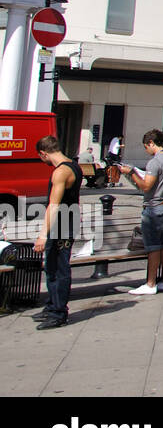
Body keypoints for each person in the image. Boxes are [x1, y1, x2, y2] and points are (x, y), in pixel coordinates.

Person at [118, 129, 163, 295]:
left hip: (154, 208)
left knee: (153, 246)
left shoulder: (155, 162)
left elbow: (146, 186)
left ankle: (150, 283)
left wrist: (131, 173)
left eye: (146, 147)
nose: (146, 150)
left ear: (151, 143)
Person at [32, 136, 81, 329]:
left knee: (58, 268)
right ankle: (52, 306)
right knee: (52, 266)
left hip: (61, 225)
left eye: (40, 157)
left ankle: (58, 312)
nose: (42, 161)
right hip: (69, 221)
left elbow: (54, 205)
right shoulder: (74, 165)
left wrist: (43, 235)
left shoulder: (60, 172)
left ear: (44, 153)